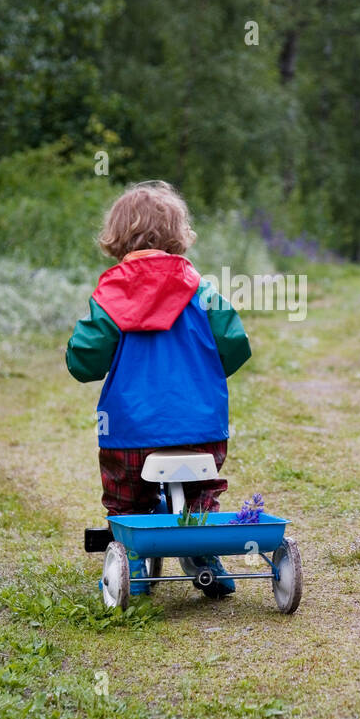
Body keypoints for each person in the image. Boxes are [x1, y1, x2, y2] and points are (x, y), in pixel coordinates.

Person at [66, 180, 251, 597]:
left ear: (116, 238)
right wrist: (204, 371)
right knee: (204, 490)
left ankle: (132, 556)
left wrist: (79, 355)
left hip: (130, 434)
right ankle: (203, 546)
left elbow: (84, 361)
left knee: (125, 495)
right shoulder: (203, 291)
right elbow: (235, 345)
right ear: (178, 236)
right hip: (202, 431)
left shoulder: (111, 294)